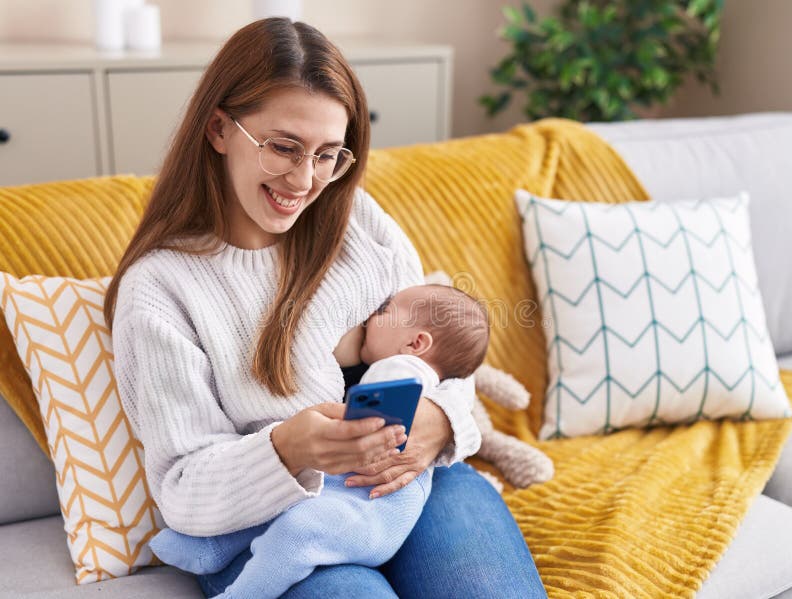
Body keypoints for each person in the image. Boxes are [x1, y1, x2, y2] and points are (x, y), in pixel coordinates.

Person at [105, 17, 548, 599]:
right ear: (218, 129)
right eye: (284, 147)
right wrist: (289, 447)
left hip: (416, 482)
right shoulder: (162, 290)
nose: (305, 178)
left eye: (328, 154)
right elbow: (183, 487)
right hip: (275, 526)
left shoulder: (360, 222)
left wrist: (439, 425)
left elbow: (443, 358)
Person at [147, 284, 491, 598]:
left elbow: (383, 421)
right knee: (291, 504)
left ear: (415, 344)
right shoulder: (164, 293)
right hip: (353, 491)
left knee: (299, 529)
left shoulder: (401, 369)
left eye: (384, 310)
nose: (371, 315)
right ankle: (213, 548)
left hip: (374, 504)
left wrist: (443, 421)